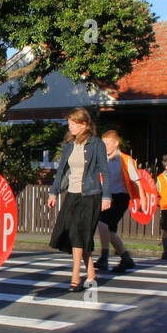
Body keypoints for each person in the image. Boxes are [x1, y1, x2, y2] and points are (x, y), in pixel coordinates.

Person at [47, 107, 109, 290]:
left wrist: (107, 196)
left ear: (84, 124)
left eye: (73, 124)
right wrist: (53, 192)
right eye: (69, 124)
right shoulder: (69, 146)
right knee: (76, 234)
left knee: (79, 234)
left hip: (90, 195)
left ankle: (75, 276)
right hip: (72, 195)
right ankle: (91, 273)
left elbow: (105, 171)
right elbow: (60, 172)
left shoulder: (97, 144)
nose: (70, 127)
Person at [95, 130, 139, 274]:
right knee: (110, 231)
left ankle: (104, 257)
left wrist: (142, 200)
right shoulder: (104, 160)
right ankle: (126, 259)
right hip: (107, 196)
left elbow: (137, 181)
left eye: (108, 143)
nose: (105, 146)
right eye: (104, 143)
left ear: (116, 143)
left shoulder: (125, 160)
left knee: (102, 223)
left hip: (121, 197)